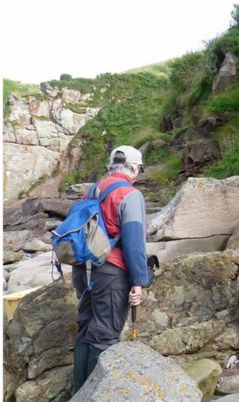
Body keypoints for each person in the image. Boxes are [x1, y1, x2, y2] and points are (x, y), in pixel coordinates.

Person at [73, 145, 149, 392]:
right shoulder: (130, 194)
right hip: (111, 271)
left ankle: (79, 391)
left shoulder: (92, 191)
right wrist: (139, 281)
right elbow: (134, 242)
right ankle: (97, 393)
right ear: (134, 168)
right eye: (139, 168)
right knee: (105, 334)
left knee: (86, 327)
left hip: (83, 270)